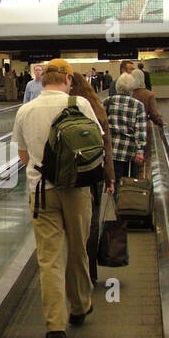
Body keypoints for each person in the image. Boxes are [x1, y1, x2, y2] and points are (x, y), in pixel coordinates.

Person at [12, 59, 103, 338]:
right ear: (67, 80)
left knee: (49, 257)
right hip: (76, 189)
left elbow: (23, 155)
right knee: (78, 250)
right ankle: (79, 306)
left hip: (41, 191)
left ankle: (54, 323)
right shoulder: (79, 105)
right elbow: (97, 142)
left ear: (41, 81)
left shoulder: (25, 110)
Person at [68, 72, 115, 284]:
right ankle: (91, 272)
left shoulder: (67, 107)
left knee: (73, 222)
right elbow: (107, 145)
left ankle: (75, 271)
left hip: (71, 173)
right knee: (93, 221)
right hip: (95, 170)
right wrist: (110, 177)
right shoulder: (97, 108)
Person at [105, 73, 147, 181]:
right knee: (128, 183)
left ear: (117, 86)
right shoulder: (138, 105)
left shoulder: (108, 101)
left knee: (114, 180)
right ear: (132, 88)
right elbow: (140, 129)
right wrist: (140, 151)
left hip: (111, 149)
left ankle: (115, 197)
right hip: (130, 151)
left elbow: (101, 124)